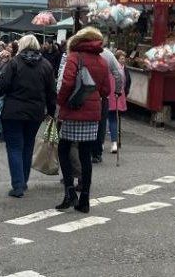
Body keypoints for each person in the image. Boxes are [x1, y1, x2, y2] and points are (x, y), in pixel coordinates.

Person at [55, 26, 112, 213]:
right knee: (85, 154)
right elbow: (106, 91)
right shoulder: (102, 61)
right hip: (92, 113)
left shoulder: (74, 57)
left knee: (64, 148)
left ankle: (70, 193)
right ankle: (85, 199)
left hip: (73, 109)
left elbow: (67, 83)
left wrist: (61, 101)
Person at [0, 34, 56, 197]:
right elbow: (52, 91)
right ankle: (23, 181)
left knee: (14, 147)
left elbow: (4, 86)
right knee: (28, 146)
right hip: (35, 112)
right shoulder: (46, 65)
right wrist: (51, 112)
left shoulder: (14, 63)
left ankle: (18, 185)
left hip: (13, 111)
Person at [93, 46, 124, 163]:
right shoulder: (108, 54)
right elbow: (119, 73)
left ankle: (85, 149)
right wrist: (117, 91)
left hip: (84, 94)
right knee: (101, 122)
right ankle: (97, 152)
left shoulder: (78, 52)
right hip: (101, 95)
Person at [107, 50, 132, 154]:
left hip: (108, 96)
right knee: (114, 120)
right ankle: (114, 143)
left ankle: (101, 143)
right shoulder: (122, 70)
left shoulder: (108, 70)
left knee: (104, 119)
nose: (123, 60)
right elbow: (126, 83)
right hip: (117, 97)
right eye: (121, 58)